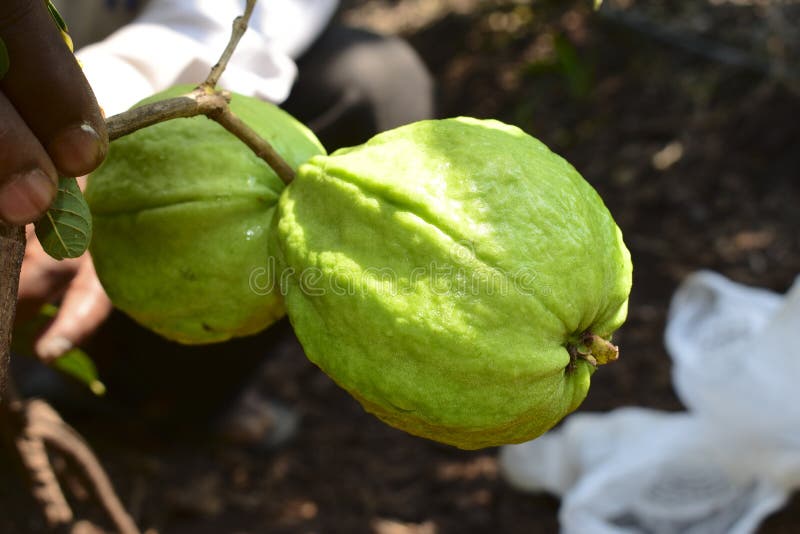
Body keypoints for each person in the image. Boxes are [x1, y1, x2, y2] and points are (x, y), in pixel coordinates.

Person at [5, 0, 435, 446]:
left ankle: (154, 397)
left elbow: (244, 15)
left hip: (144, 59)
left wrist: (84, 122)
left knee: (378, 83)